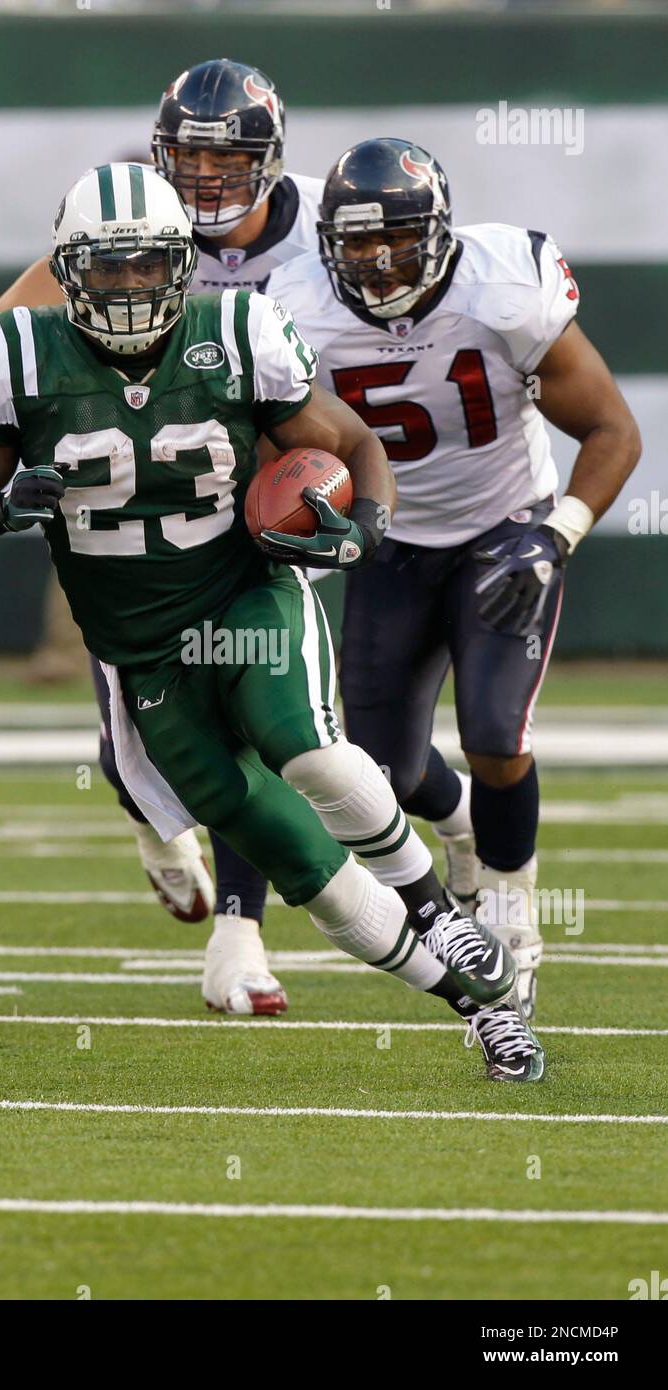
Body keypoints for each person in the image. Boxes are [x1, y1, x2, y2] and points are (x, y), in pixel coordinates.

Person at [0, 162, 539, 1081]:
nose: (128, 286)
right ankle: (479, 1007)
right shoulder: (21, 356)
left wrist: (359, 525)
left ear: (181, 264)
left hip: (247, 601)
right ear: (69, 270)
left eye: (145, 265)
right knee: (301, 861)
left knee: (313, 752)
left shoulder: (238, 330)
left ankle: (439, 907)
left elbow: (353, 444)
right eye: (107, 266)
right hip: (140, 655)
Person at [0, 59, 325, 1014]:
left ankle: (241, 937)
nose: (208, 177)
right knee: (134, 731)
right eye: (189, 156)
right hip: (121, 509)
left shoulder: (317, 246)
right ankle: (147, 812)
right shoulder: (127, 230)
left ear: (271, 160)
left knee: (256, 724)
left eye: (231, 157)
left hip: (248, 501)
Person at [261, 137, 641, 1057]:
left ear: (439, 233)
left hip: (505, 525)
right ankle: (463, 817)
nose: (379, 262)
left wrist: (556, 537)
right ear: (326, 245)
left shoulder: (504, 283)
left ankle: (512, 915)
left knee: (495, 730)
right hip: (388, 539)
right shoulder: (295, 305)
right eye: (357, 245)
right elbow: (271, 435)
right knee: (376, 776)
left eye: (396, 239)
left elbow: (611, 429)